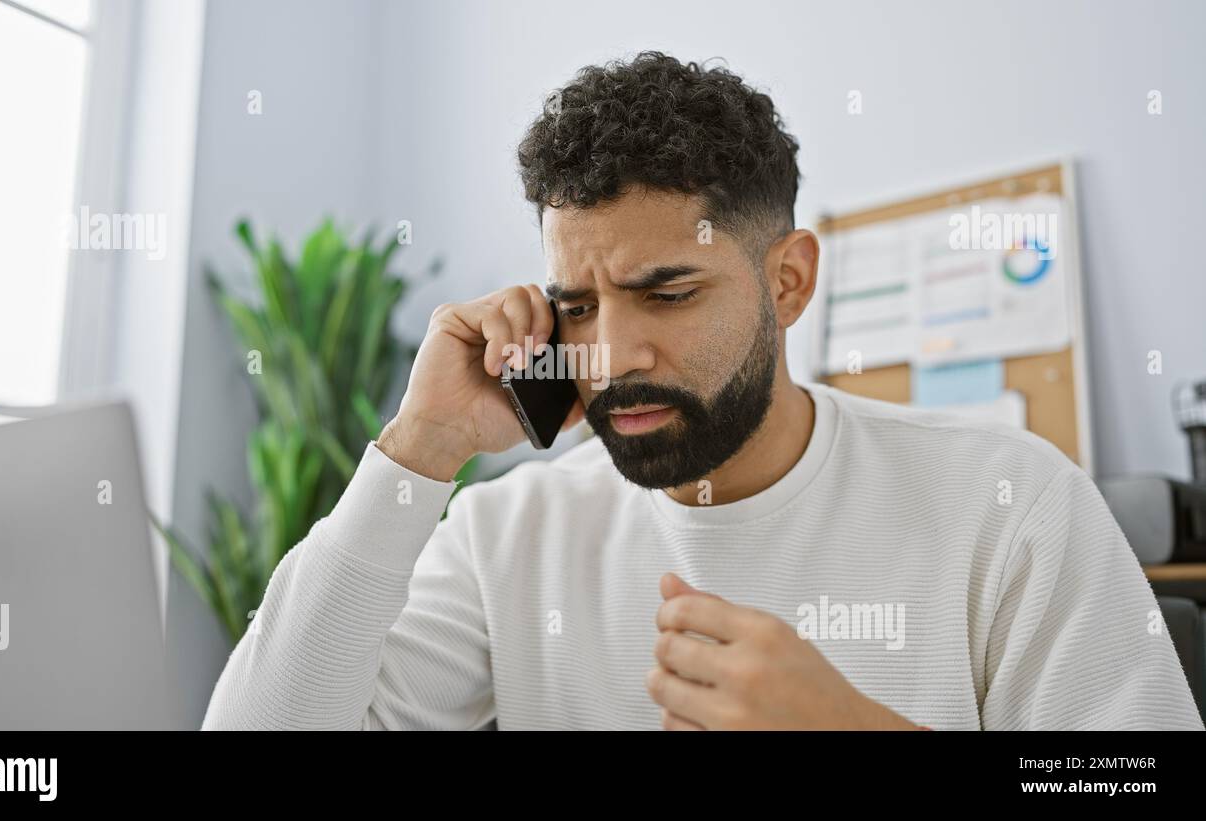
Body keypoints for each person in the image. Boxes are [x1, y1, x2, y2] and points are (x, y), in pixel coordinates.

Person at [201, 51, 1203, 730]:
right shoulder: (501, 534)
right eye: (577, 306)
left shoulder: (1007, 496)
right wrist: (417, 448)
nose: (614, 353)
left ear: (788, 280)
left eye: (667, 292)